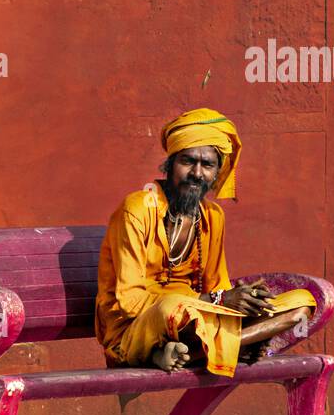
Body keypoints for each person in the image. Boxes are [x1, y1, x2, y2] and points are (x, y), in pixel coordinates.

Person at [95, 108, 315, 377]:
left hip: (194, 322)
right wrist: (213, 300)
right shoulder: (137, 209)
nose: (197, 173)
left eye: (207, 165)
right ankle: (235, 347)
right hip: (135, 328)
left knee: (301, 304)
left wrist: (247, 301)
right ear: (170, 164)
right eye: (188, 161)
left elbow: (217, 287)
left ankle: (202, 351)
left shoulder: (213, 217)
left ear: (216, 173)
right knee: (170, 307)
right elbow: (129, 302)